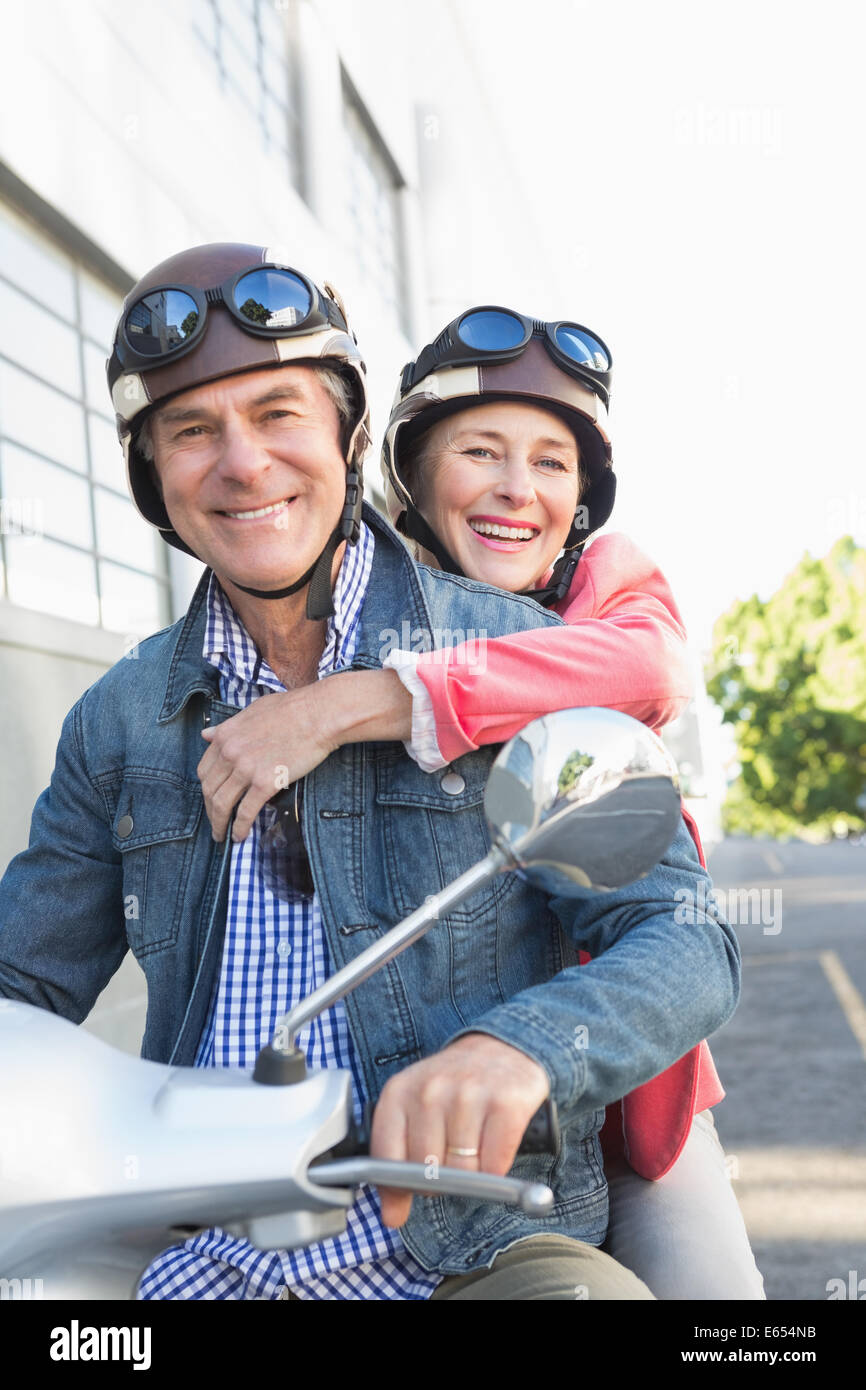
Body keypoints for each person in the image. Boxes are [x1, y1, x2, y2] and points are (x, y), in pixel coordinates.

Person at [0, 244, 739, 1301]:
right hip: (194, 1258)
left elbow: (685, 934)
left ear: (347, 437)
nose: (243, 464)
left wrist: (517, 1046)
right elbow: (18, 988)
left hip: (474, 1250)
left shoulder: (508, 652)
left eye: (277, 415)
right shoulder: (115, 721)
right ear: (151, 475)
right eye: (193, 431)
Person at [202, 304, 764, 1299]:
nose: (517, 487)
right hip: (426, 1127)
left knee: (716, 1306)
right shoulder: (345, 615)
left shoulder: (602, 583)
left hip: (629, 1093)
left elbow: (651, 663)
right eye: (480, 450)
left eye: (553, 463)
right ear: (405, 479)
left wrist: (375, 700)